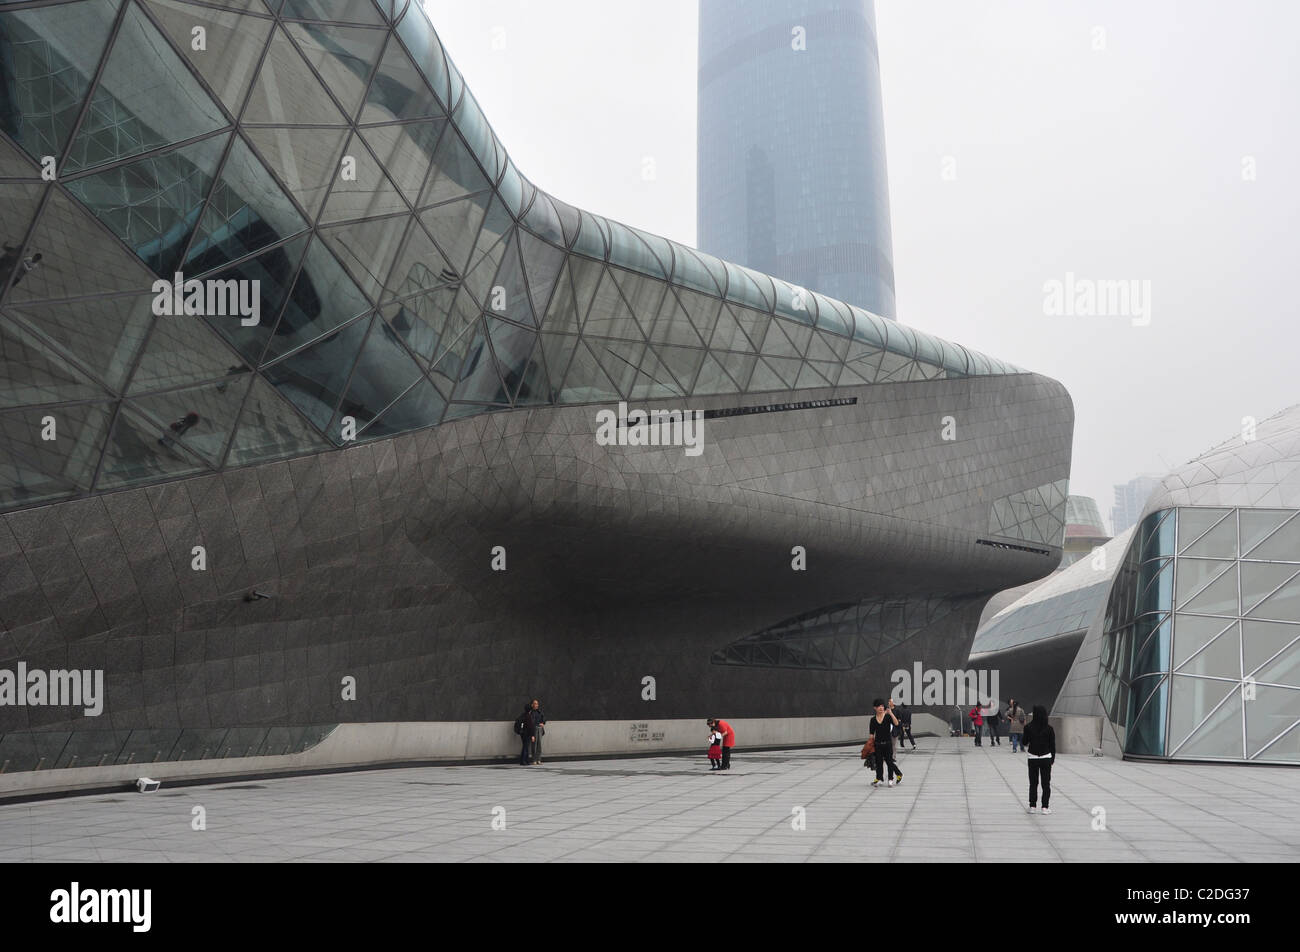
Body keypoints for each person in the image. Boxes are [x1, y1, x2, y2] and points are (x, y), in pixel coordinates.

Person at [1023, 705, 1055, 814]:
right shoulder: (1049, 728)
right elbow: (1052, 746)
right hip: (1046, 757)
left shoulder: (1028, 727)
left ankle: (1032, 806)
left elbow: (1024, 742)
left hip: (1032, 758)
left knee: (1033, 783)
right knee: (1046, 783)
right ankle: (1045, 807)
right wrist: (1052, 759)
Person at [869, 699, 902, 787]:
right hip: (878, 744)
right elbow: (871, 734)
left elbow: (896, 723)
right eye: (879, 706)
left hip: (887, 743)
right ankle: (880, 779)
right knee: (879, 762)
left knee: (889, 762)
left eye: (882, 706)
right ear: (875, 708)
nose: (881, 708)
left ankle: (890, 779)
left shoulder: (887, 717)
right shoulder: (872, 720)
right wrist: (870, 746)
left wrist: (890, 713)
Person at [517, 698, 545, 765]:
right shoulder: (530, 713)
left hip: (539, 729)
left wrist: (542, 723)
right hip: (533, 730)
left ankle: (538, 759)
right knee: (533, 745)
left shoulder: (539, 712)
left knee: (539, 745)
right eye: (535, 703)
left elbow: (543, 719)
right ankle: (533, 759)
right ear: (532, 705)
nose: (537, 705)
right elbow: (531, 723)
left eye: (537, 704)